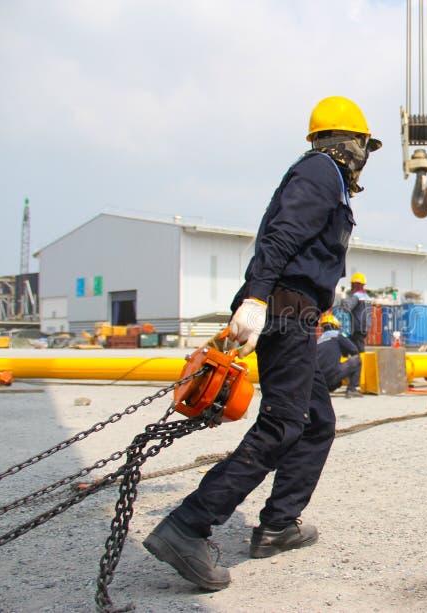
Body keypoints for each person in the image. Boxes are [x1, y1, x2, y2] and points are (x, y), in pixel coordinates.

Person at [143, 95, 381, 591]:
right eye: (363, 146)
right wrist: (255, 298)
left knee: (316, 422)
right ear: (347, 142)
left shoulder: (327, 178)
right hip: (284, 310)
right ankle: (187, 526)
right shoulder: (320, 171)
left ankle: (277, 524)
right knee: (284, 425)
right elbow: (281, 236)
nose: (364, 157)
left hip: (297, 310)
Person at [316, 312, 363, 398]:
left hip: (320, 381)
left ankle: (327, 389)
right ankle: (352, 389)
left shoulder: (319, 341)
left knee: (338, 376)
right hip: (332, 377)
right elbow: (354, 350)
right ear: (336, 326)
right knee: (356, 360)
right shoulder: (337, 336)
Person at [340, 272, 372, 353]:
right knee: (356, 345)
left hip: (357, 327)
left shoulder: (357, 296)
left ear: (354, 284)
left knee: (357, 349)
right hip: (365, 327)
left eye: (352, 284)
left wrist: (343, 298)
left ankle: (360, 363)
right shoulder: (367, 297)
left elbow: (346, 308)